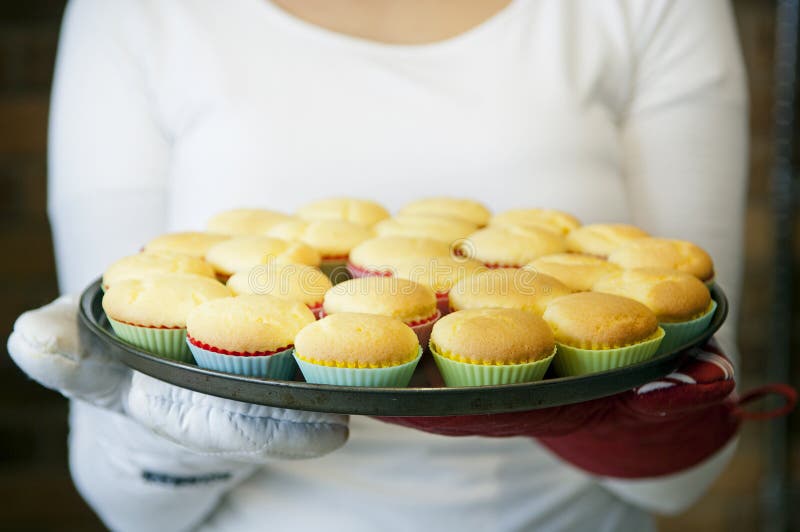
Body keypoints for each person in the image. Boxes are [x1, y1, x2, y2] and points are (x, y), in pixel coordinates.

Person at [9, 0, 752, 530]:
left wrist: (606, 402)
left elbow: (683, 483)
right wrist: (148, 427)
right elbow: (129, 509)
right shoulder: (133, 13)